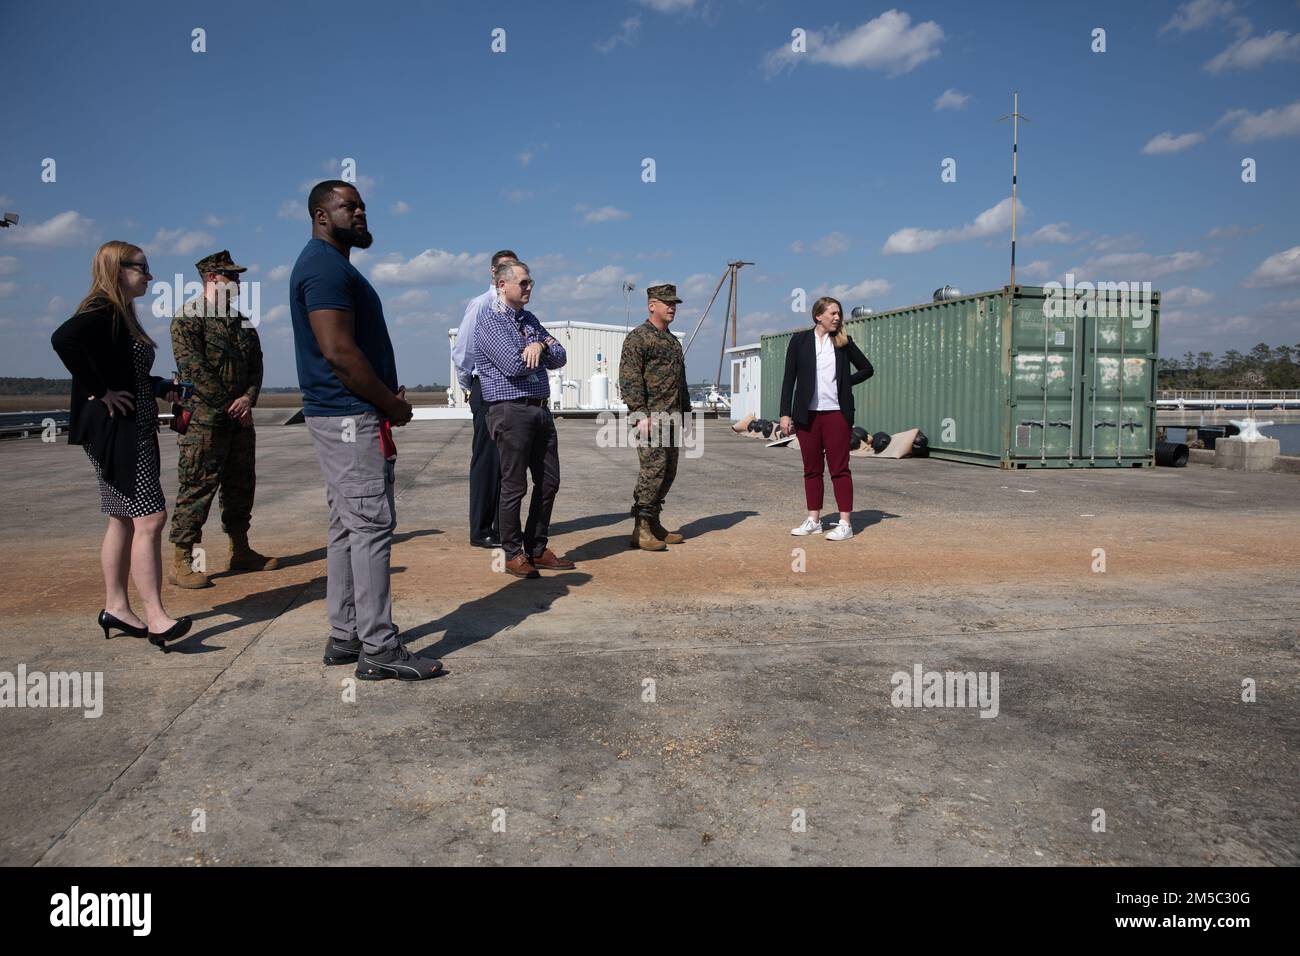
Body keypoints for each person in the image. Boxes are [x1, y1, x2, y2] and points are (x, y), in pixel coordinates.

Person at [290, 180, 441, 681]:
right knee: (372, 526)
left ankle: (346, 633)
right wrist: (390, 405)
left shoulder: (331, 266)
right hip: (350, 416)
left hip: (342, 414)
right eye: (347, 206)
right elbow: (338, 352)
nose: (359, 212)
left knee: (347, 525)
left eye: (361, 205)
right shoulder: (324, 269)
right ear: (320, 215)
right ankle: (378, 647)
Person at [51, 241, 192, 651]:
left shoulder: (118, 314)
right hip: (119, 431)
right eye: (142, 268)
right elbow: (63, 340)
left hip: (123, 429)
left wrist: (163, 388)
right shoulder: (103, 310)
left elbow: (126, 374)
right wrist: (101, 391)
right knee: (151, 519)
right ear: (117, 269)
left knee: (122, 518)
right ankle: (157, 618)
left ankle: (117, 607)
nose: (150, 276)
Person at [168, 249, 278, 588]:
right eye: (231, 276)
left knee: (240, 485)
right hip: (205, 421)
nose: (238, 281)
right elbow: (193, 369)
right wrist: (229, 404)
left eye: (238, 276)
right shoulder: (188, 318)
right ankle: (182, 559)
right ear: (212, 278)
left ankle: (240, 549)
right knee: (197, 486)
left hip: (239, 420)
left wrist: (248, 398)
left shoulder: (242, 320)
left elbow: (256, 365)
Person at [473, 260, 576, 578]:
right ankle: (513, 552)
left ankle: (536, 548)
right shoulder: (489, 321)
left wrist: (539, 344)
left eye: (530, 282)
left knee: (549, 482)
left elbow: (561, 356)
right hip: (510, 409)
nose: (529, 287)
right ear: (503, 285)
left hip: (540, 409)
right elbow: (514, 365)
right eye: (523, 283)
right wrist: (535, 347)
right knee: (514, 485)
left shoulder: (529, 320)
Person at [779, 296, 873, 541]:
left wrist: (844, 384)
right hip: (806, 416)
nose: (837, 318)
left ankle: (845, 523)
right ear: (818, 315)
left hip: (836, 415)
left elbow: (867, 369)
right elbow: (789, 379)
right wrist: (785, 414)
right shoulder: (799, 341)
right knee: (811, 470)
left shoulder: (843, 342)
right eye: (832, 313)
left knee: (839, 469)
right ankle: (814, 520)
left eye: (839, 314)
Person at [452, 249, 518, 549]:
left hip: (509, 391)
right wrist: (470, 386)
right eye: (504, 268)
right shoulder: (480, 305)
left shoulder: (514, 308)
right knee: (487, 460)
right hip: (486, 388)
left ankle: (501, 526)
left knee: (507, 461)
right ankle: (480, 529)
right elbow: (463, 351)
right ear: (493, 273)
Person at [619, 283, 691, 551]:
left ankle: (655, 522)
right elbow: (629, 378)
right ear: (652, 305)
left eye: (674, 303)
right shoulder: (639, 338)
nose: (672, 307)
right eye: (667, 302)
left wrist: (686, 414)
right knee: (652, 471)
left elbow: (680, 380)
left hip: (672, 418)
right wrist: (640, 414)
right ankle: (642, 528)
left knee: (668, 472)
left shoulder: (672, 341)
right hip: (650, 418)